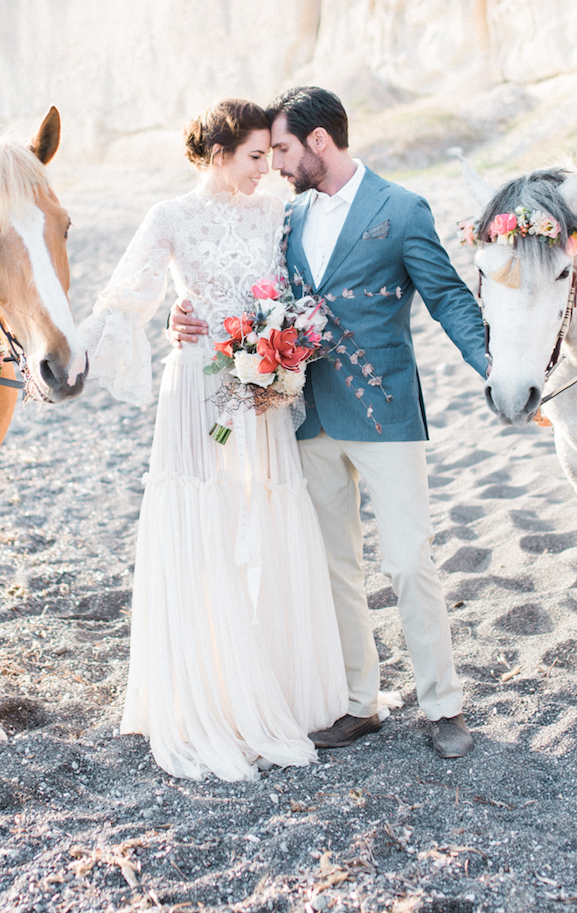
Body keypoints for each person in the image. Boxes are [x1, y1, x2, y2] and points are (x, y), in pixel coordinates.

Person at [172, 86, 486, 761]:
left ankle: (443, 704)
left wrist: (491, 367)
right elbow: (237, 284)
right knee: (335, 567)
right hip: (307, 415)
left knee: (408, 561)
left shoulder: (401, 209)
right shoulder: (285, 219)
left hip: (385, 412)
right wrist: (182, 311)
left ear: (319, 141)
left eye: (284, 149)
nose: (276, 165)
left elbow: (447, 296)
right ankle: (358, 702)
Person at [78, 99, 348, 782]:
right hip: (199, 382)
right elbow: (125, 297)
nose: (266, 169)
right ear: (220, 154)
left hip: (263, 386)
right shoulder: (170, 216)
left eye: (270, 156)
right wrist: (152, 324)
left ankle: (275, 681)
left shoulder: (274, 212)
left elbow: (298, 288)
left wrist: (283, 350)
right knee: (203, 519)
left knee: (265, 508)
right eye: (255, 157)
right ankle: (211, 686)